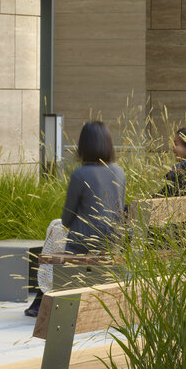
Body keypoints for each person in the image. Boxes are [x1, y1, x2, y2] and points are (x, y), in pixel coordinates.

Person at [25, 121, 127, 317]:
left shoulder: (80, 174)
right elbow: (119, 209)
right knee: (56, 232)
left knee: (55, 230)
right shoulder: (119, 171)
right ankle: (40, 300)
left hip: (83, 242)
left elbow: (67, 218)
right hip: (112, 240)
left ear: (83, 145)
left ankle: (43, 297)